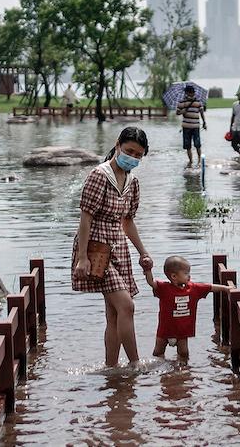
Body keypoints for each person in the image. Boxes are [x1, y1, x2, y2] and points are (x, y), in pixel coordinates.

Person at [71, 126, 155, 367]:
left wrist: (143, 252)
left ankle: (111, 369)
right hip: (96, 248)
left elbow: (127, 222)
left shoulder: (132, 182)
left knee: (115, 314)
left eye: (138, 155)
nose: (133, 157)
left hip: (119, 248)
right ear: (118, 145)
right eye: (129, 151)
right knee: (127, 306)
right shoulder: (99, 175)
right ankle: (135, 364)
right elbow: (85, 218)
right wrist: (82, 257)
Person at [140, 255, 228, 361]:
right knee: (158, 352)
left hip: (182, 332)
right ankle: (160, 368)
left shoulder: (193, 289)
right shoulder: (164, 288)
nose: (189, 276)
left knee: (184, 353)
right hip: (165, 331)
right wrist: (148, 270)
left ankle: (181, 369)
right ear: (174, 276)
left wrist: (226, 288)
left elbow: (210, 287)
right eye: (186, 273)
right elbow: (151, 282)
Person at [176, 85, 206, 167]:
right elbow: (177, 112)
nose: (192, 94)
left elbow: (201, 112)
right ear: (187, 93)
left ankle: (199, 160)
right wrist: (183, 111)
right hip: (186, 127)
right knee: (187, 145)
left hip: (195, 126)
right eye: (191, 92)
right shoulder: (182, 102)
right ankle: (191, 161)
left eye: (193, 92)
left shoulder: (198, 101)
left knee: (197, 144)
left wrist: (204, 122)